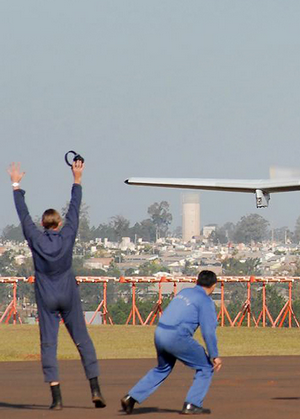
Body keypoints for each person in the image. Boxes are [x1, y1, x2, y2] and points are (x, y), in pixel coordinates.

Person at [9, 161, 106, 410]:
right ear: (59, 224)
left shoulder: (35, 238)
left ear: (42, 225)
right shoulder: (67, 235)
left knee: (49, 344)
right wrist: (77, 179)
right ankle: (95, 389)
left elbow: (23, 216)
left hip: (46, 295)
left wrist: (16, 185)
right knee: (83, 340)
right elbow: (75, 210)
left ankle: (57, 398)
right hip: (68, 293)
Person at [121, 270, 222, 415]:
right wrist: (214, 355)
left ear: (197, 282)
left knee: (163, 368)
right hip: (177, 336)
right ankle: (192, 404)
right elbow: (208, 331)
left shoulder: (185, 292)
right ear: (213, 285)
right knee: (206, 367)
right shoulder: (206, 301)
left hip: (160, 333)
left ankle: (131, 397)